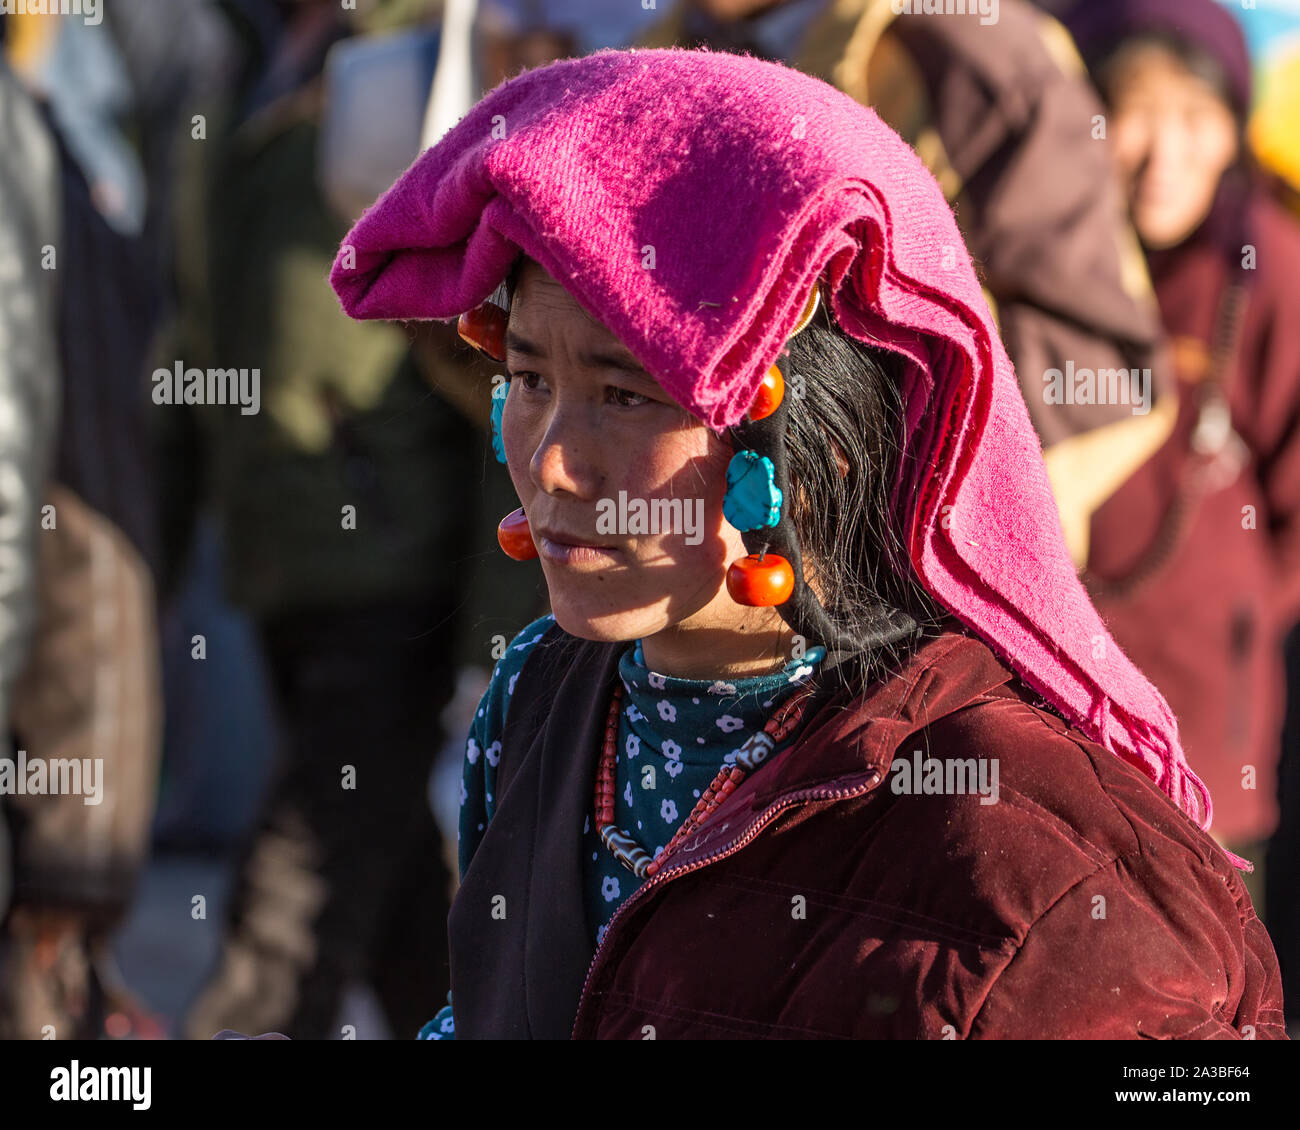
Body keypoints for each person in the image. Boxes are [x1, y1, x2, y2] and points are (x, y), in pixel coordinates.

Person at [333, 48, 1286, 1039]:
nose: (556, 462)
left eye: (625, 395)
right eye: (529, 380)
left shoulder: (1029, 855)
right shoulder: (540, 697)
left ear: (820, 439)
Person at [1062, 0, 1300, 936]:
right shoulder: (1045, 263)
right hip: (1058, 712)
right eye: (1135, 114)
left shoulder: (1264, 267)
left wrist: (1236, 612)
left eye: (1196, 119)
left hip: (1210, 717)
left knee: (1208, 982)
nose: (1166, 156)